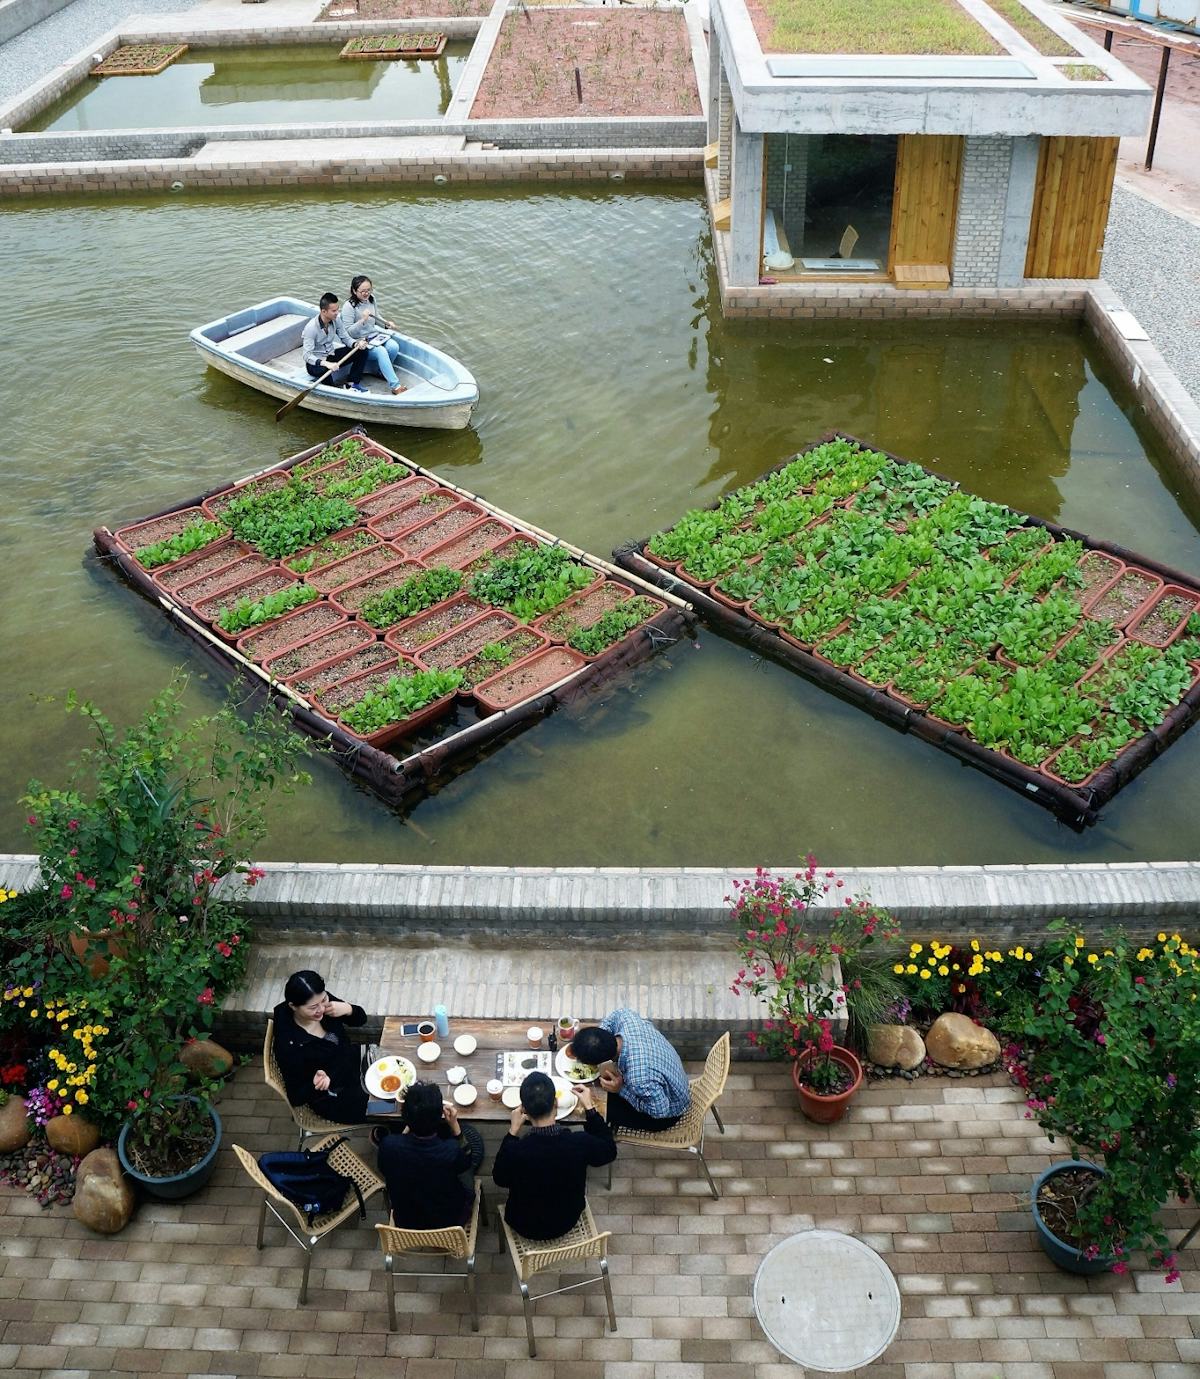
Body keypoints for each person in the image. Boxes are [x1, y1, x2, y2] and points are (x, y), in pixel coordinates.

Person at [491, 1071, 616, 1240]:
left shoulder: (515, 1150)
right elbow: (609, 1151)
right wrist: (589, 1108)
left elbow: (500, 1179)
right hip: (568, 1219)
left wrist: (512, 1131)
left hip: (524, 1224)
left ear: (524, 1110)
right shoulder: (579, 1143)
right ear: (556, 1103)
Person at [377, 1082, 484, 1229]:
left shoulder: (388, 1145)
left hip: (407, 1221)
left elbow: (385, 1169)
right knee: (469, 1160)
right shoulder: (450, 1150)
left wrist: (412, 1122)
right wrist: (456, 1127)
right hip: (451, 1221)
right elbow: (467, 1166)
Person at [272, 970, 370, 1122]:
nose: (321, 1009)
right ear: (293, 1006)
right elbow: (296, 1096)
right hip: (336, 1095)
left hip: (351, 1061)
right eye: (312, 1008)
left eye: (323, 1000)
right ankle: (385, 1135)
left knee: (399, 1073)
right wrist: (316, 1084)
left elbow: (360, 1020)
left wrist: (348, 1009)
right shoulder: (288, 1046)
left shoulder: (320, 1000)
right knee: (390, 1107)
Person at [571, 1010, 690, 1132]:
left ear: (598, 1062)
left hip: (670, 1111)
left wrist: (621, 1090)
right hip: (673, 1077)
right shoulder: (626, 1018)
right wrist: (597, 1043)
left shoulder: (638, 1078)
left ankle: (601, 1142)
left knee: (596, 1108)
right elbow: (610, 1020)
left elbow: (660, 1112)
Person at [339, 274, 407, 395]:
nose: (366, 293)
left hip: (373, 336)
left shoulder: (371, 299)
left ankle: (380, 372)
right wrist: (362, 320)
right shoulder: (348, 306)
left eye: (368, 290)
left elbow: (376, 317)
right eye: (363, 291)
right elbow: (348, 332)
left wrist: (386, 324)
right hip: (359, 342)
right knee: (381, 351)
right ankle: (395, 386)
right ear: (354, 291)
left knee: (393, 346)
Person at [301, 292, 369, 392]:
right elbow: (307, 355)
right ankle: (332, 390)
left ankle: (352, 383)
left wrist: (356, 344)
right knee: (324, 370)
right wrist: (325, 363)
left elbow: (345, 337)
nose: (337, 313)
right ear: (324, 311)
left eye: (337, 309)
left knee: (361, 351)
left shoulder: (336, 320)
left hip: (330, 355)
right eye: (334, 311)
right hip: (316, 364)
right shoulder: (311, 328)